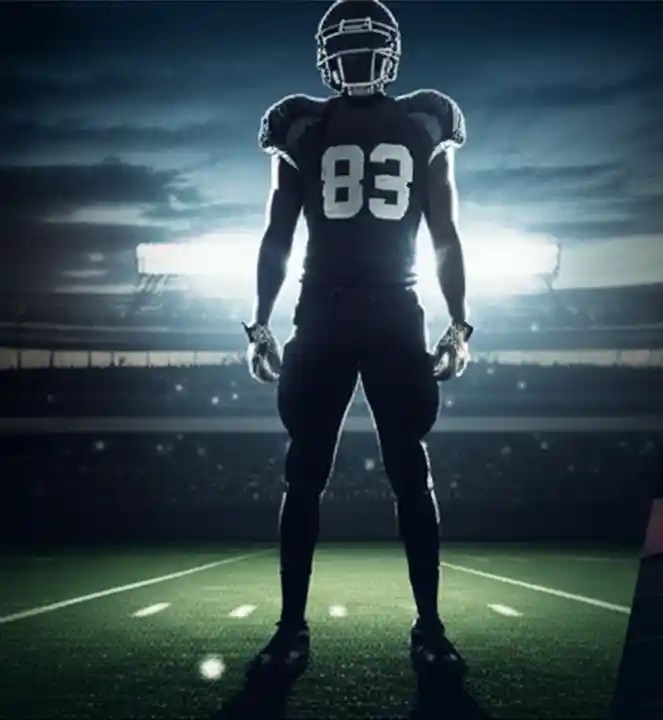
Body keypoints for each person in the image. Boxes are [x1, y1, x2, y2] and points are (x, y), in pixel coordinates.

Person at [241, 0, 473, 684]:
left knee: (323, 472)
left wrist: (261, 321)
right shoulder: (424, 119)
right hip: (388, 309)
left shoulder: (302, 123)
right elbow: (445, 232)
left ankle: (300, 630)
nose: (358, 61)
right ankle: (422, 630)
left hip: (331, 310)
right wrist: (459, 321)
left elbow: (278, 235)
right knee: (377, 472)